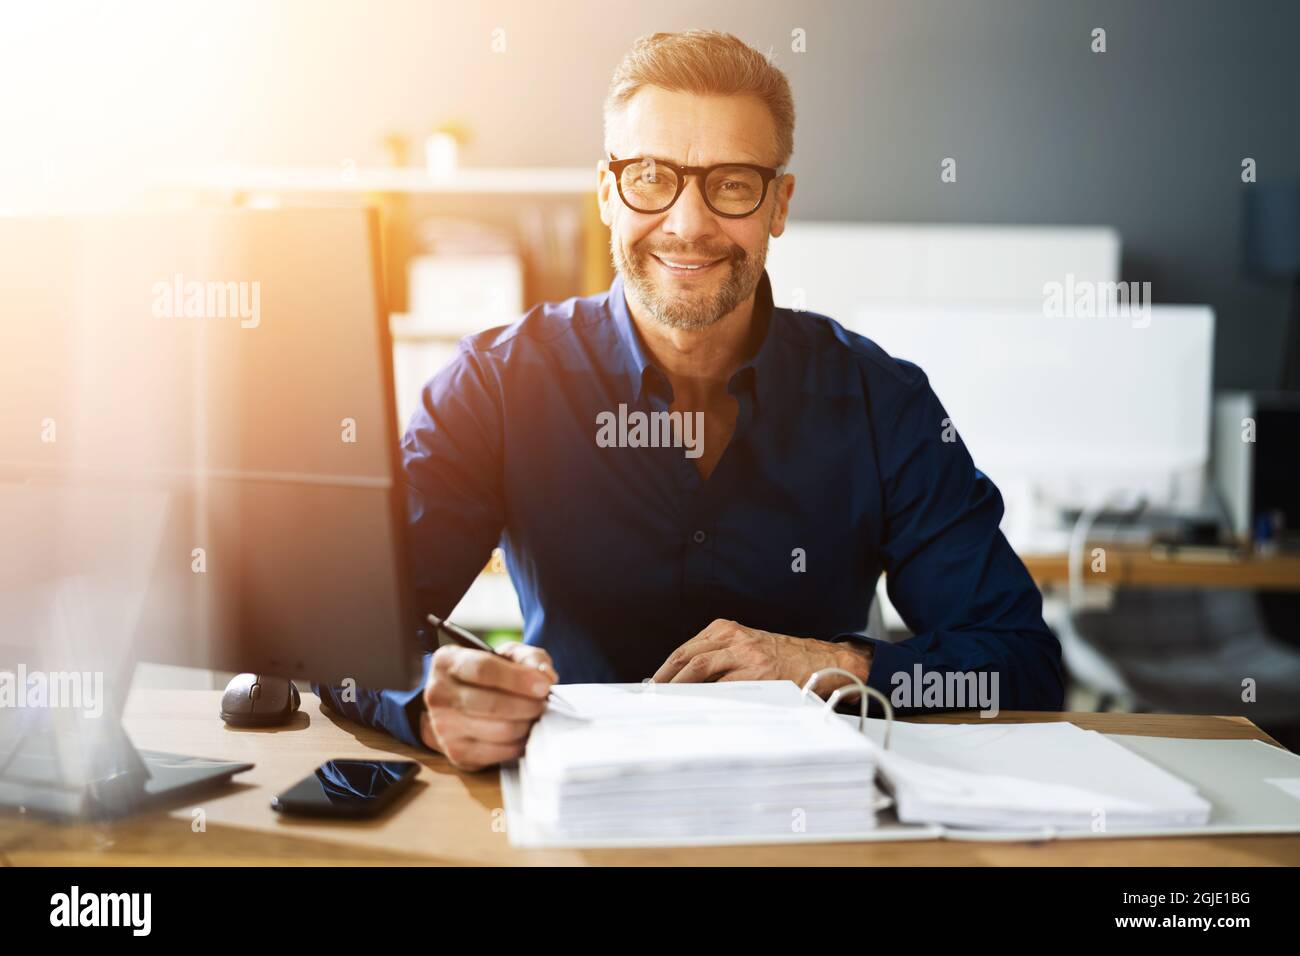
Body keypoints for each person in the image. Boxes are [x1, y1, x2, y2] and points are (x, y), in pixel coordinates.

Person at [318, 30, 1063, 770]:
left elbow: (1022, 665)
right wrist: (427, 700)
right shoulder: (495, 384)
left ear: (779, 203)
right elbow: (340, 636)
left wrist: (834, 668)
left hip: (812, 814)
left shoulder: (882, 401)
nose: (689, 223)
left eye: (732, 183)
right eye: (650, 176)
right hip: (568, 808)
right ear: (608, 192)